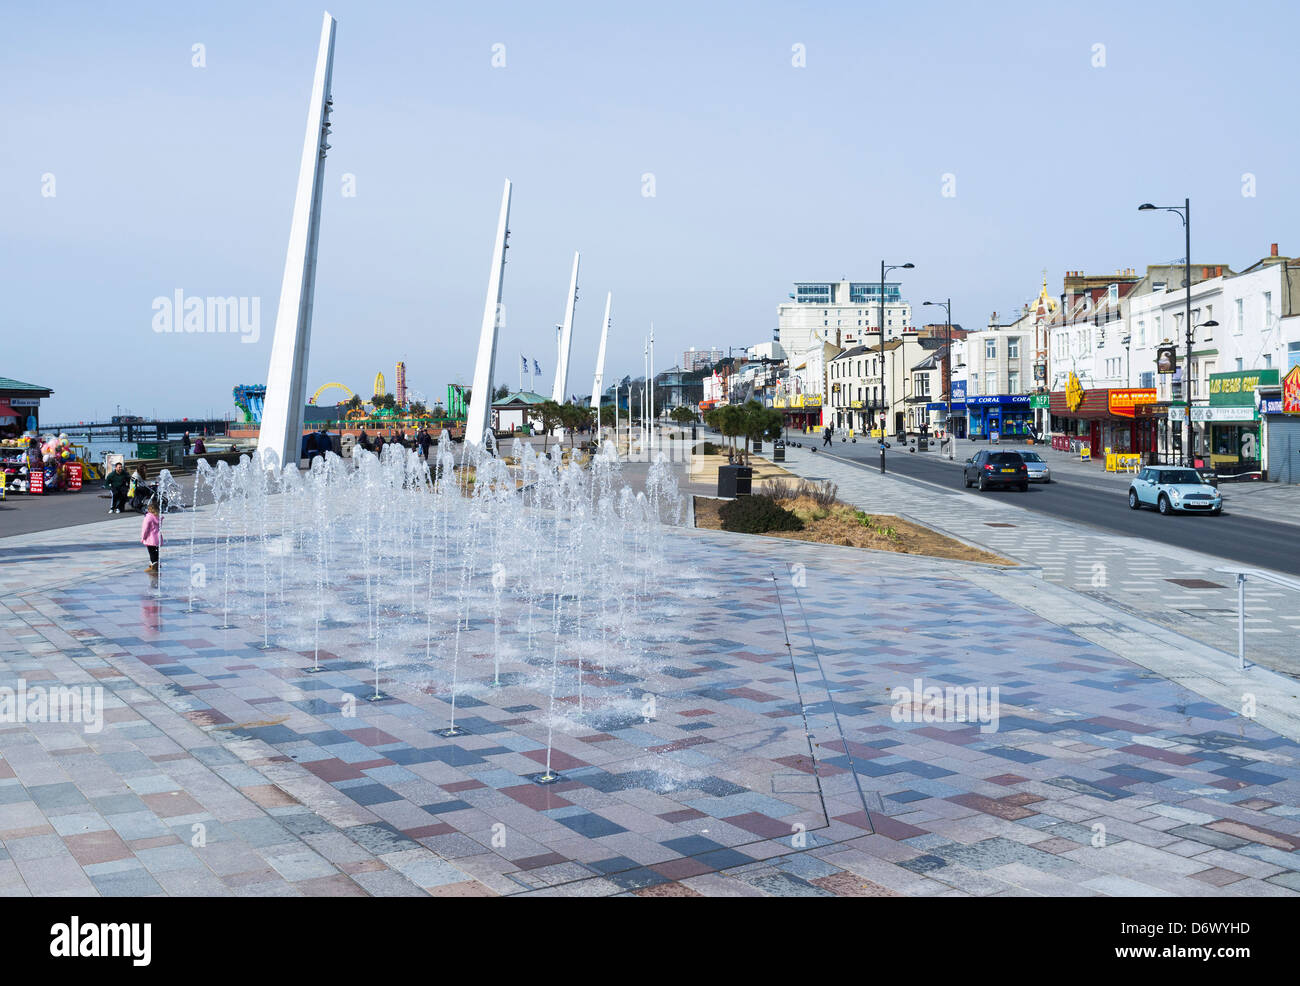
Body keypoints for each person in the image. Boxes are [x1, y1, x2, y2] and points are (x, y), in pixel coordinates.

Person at [141, 499, 162, 572]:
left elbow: (145, 529)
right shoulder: (158, 517)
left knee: (151, 553)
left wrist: (143, 537)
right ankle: (157, 564)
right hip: (158, 538)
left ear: (149, 509)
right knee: (156, 552)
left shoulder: (148, 517)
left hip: (150, 538)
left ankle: (153, 567)